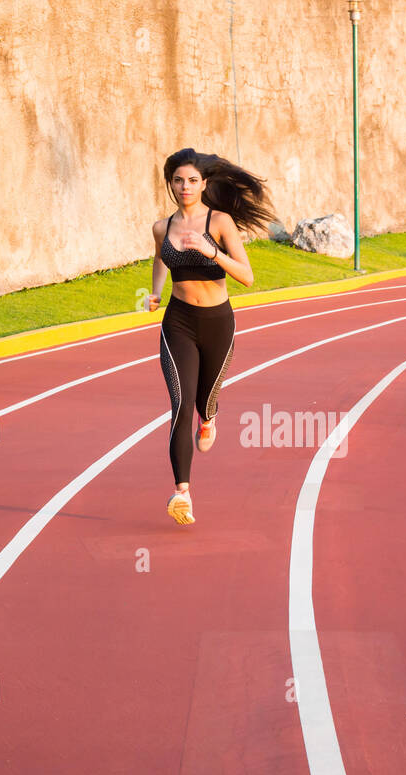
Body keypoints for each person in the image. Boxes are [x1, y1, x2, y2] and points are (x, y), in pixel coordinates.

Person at [146, 148, 276, 525]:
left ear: (204, 184)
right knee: (181, 404)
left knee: (205, 400)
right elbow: (159, 259)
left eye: (191, 180)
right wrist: (155, 292)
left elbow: (247, 276)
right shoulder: (162, 227)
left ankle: (211, 416)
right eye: (177, 180)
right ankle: (181, 492)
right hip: (178, 323)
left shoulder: (219, 221)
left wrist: (212, 251)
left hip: (218, 322)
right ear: (169, 183)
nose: (184, 187)